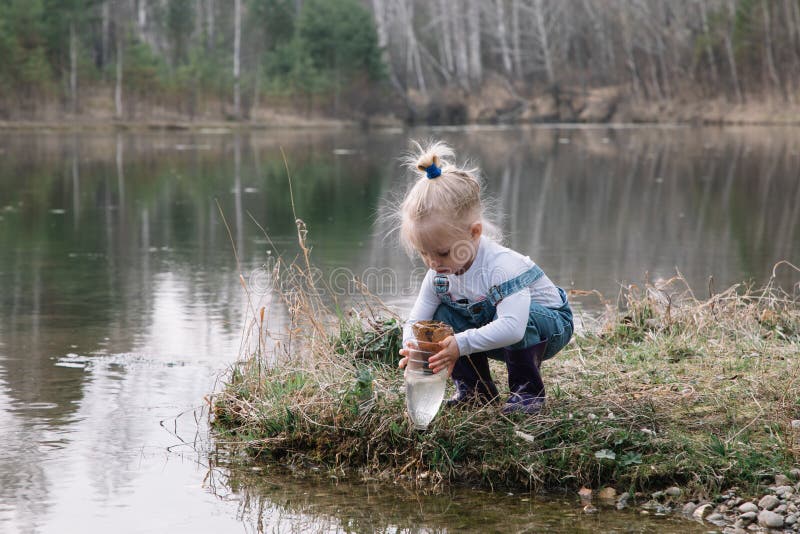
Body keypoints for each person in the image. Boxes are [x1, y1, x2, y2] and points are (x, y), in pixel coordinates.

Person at [395, 140, 573, 415]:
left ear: (474, 233)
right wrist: (413, 344)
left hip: (548, 327)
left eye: (442, 253)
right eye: (424, 253)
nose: (433, 263)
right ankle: (476, 390)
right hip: (495, 326)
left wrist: (460, 344)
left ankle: (527, 393)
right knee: (440, 316)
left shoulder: (501, 266)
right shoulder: (438, 275)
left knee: (521, 318)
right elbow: (415, 321)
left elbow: (513, 327)